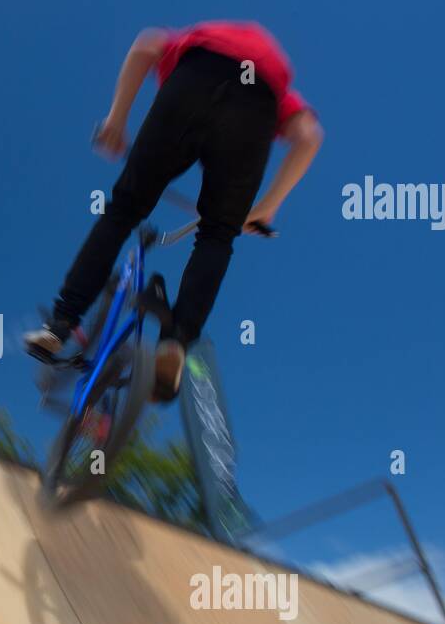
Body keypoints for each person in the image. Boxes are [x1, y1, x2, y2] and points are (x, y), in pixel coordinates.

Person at [25, 21, 323, 400]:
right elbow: (310, 136)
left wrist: (116, 121)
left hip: (194, 76)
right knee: (217, 235)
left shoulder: (199, 40)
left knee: (124, 209)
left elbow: (147, 44)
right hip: (258, 105)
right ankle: (175, 344)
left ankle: (60, 325)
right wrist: (265, 208)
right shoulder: (274, 80)